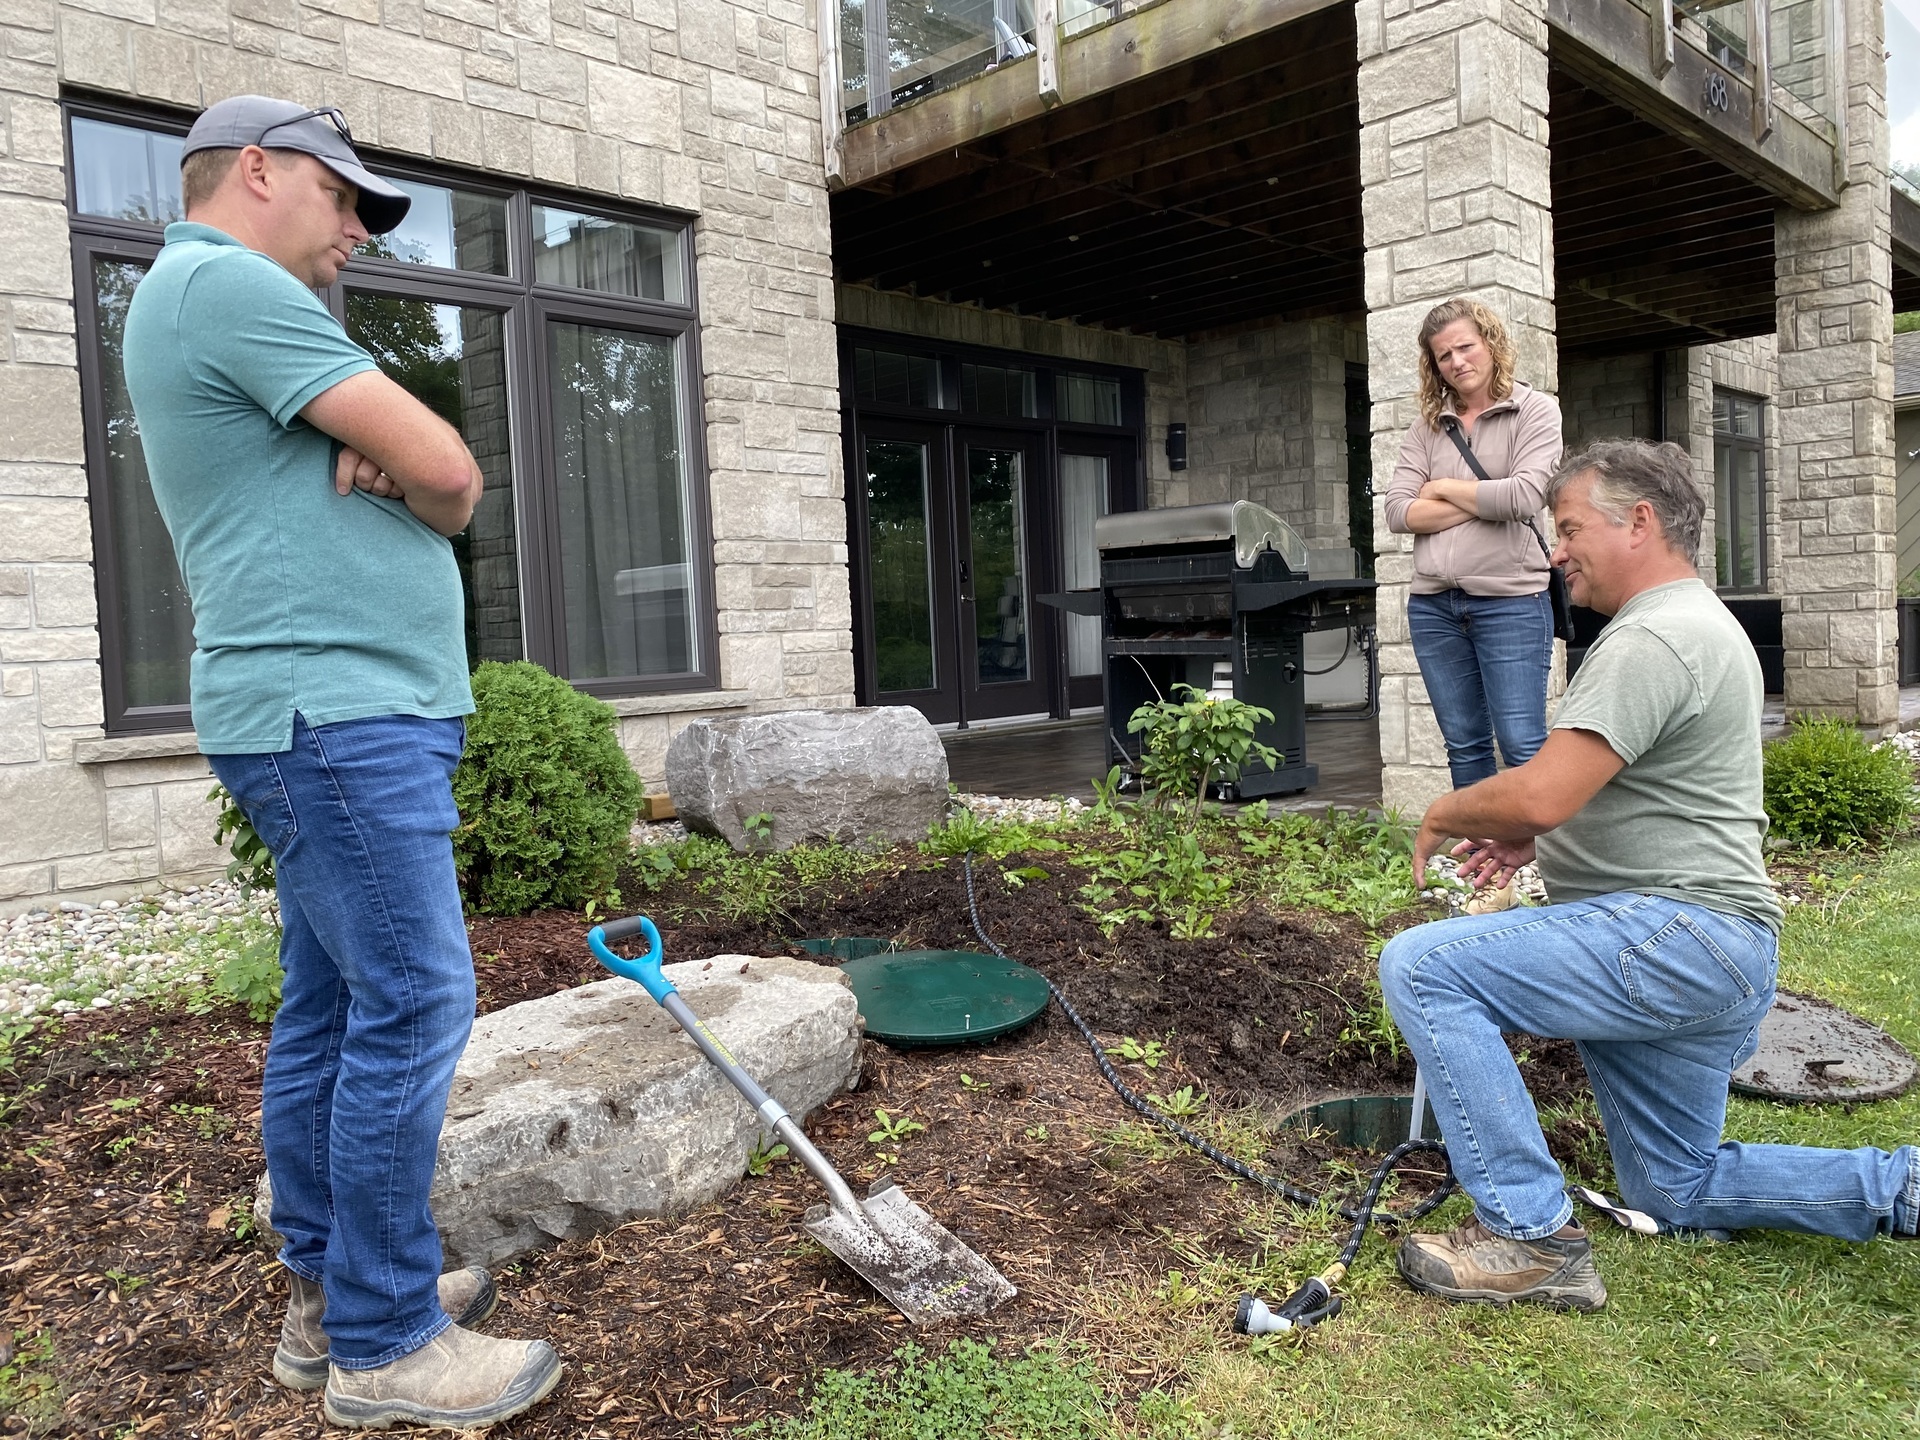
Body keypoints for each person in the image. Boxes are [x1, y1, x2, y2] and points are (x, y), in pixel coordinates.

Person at [122, 97, 563, 1429]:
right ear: (257, 173)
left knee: (330, 1008)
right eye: (346, 200)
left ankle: (330, 1300)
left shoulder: (202, 301)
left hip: (320, 716)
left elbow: (426, 480)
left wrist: (407, 474)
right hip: (335, 719)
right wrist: (415, 471)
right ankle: (384, 1342)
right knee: (419, 1002)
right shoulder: (226, 287)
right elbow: (452, 472)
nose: (361, 233)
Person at [1379, 439, 1917, 1311]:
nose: (1557, 551)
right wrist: (1536, 843)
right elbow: (1629, 789)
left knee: (1425, 967)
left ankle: (1527, 1234)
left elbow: (1545, 792)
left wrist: (1448, 813)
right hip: (1712, 951)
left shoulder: (1653, 636)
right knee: (1675, 1188)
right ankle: (1902, 1188)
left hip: (1678, 935)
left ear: (1640, 521)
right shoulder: (1699, 626)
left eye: (1569, 527)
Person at [1383, 299, 1564, 912]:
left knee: (1521, 740)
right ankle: (1491, 877)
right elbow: (1398, 512)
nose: (1457, 362)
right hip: (1435, 606)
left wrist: (1442, 488)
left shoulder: (1535, 410)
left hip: (1511, 601)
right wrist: (1477, 495)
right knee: (1464, 743)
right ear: (1433, 366)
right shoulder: (1427, 428)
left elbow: (1525, 496)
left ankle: (1553, 864)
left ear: (1490, 343)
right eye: (1444, 356)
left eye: (1466, 347)